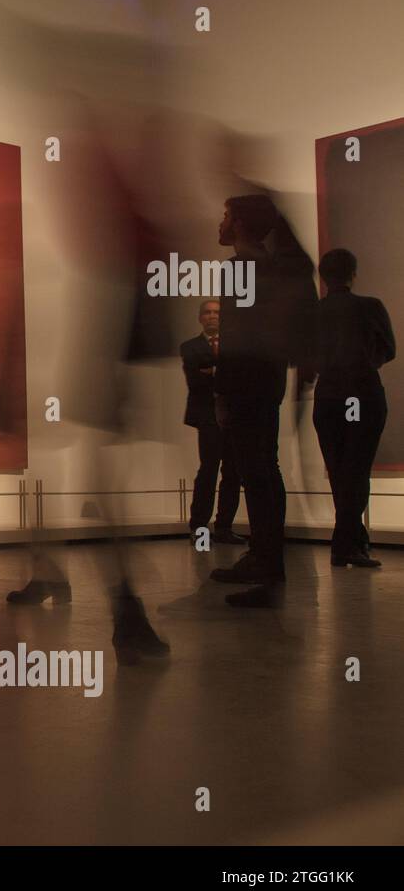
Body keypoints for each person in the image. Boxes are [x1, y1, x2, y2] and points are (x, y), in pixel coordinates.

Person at [209, 195, 318, 607]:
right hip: (265, 383)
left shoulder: (238, 269)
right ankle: (265, 559)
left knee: (257, 473)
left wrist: (222, 391)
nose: (219, 223)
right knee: (264, 471)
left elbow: (237, 337)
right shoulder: (271, 269)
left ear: (238, 223)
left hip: (245, 385)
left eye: (225, 215)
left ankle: (267, 565)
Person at [312, 248, 395, 567]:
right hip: (359, 394)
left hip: (330, 396)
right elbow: (388, 349)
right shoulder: (369, 307)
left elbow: (306, 357)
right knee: (356, 469)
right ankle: (346, 543)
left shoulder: (315, 313)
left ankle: (351, 540)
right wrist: (362, 365)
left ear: (323, 277)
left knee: (339, 470)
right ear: (353, 273)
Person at [180, 299, 244, 544]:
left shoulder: (234, 345)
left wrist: (213, 372)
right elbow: (196, 381)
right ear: (200, 318)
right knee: (208, 470)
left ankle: (224, 527)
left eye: (216, 312)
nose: (212, 316)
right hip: (207, 416)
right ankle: (198, 526)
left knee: (232, 472)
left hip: (232, 416)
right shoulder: (190, 346)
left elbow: (234, 378)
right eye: (207, 312)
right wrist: (224, 373)